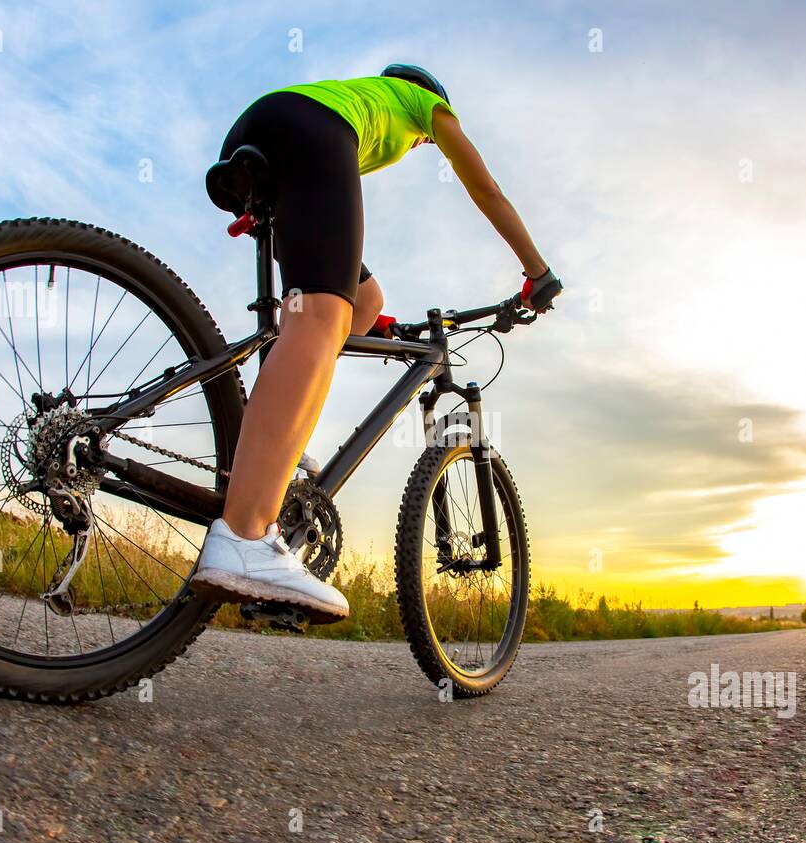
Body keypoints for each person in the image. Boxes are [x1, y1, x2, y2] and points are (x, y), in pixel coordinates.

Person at [191, 65, 562, 622]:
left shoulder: (365, 97)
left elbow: (348, 293)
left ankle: (276, 456)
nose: (421, 146)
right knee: (320, 314)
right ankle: (244, 536)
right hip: (309, 133)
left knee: (350, 305)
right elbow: (487, 188)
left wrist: (367, 322)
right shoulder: (425, 106)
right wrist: (537, 273)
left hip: (257, 132)